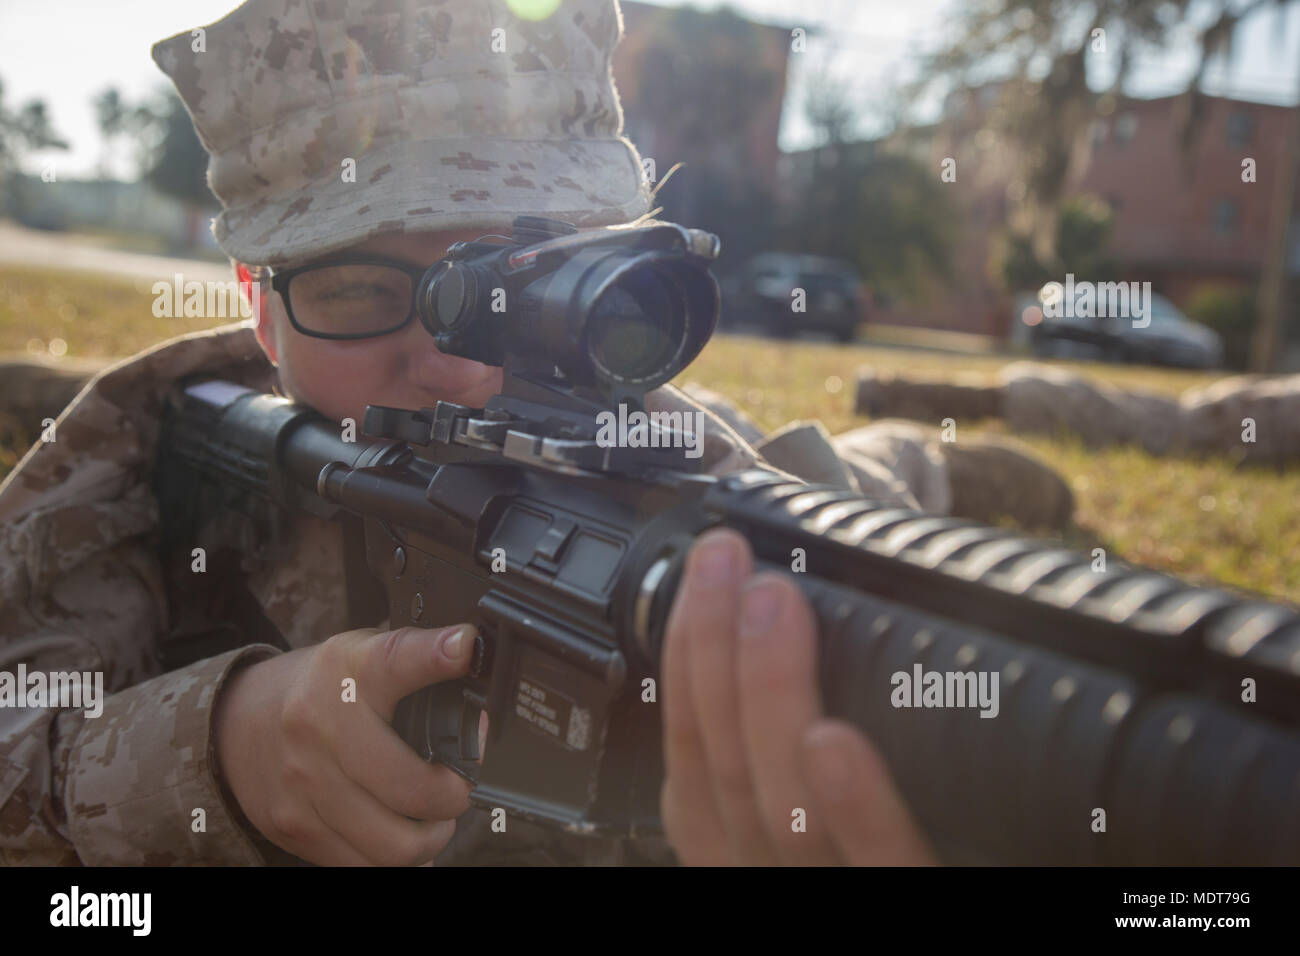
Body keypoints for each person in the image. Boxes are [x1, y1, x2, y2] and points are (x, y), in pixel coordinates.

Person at [0, 0, 932, 866]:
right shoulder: (140, 438)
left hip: (808, 473)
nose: (454, 367)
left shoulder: (689, 483)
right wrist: (220, 744)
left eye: (523, 297)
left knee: (867, 476)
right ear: (260, 309)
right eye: (361, 291)